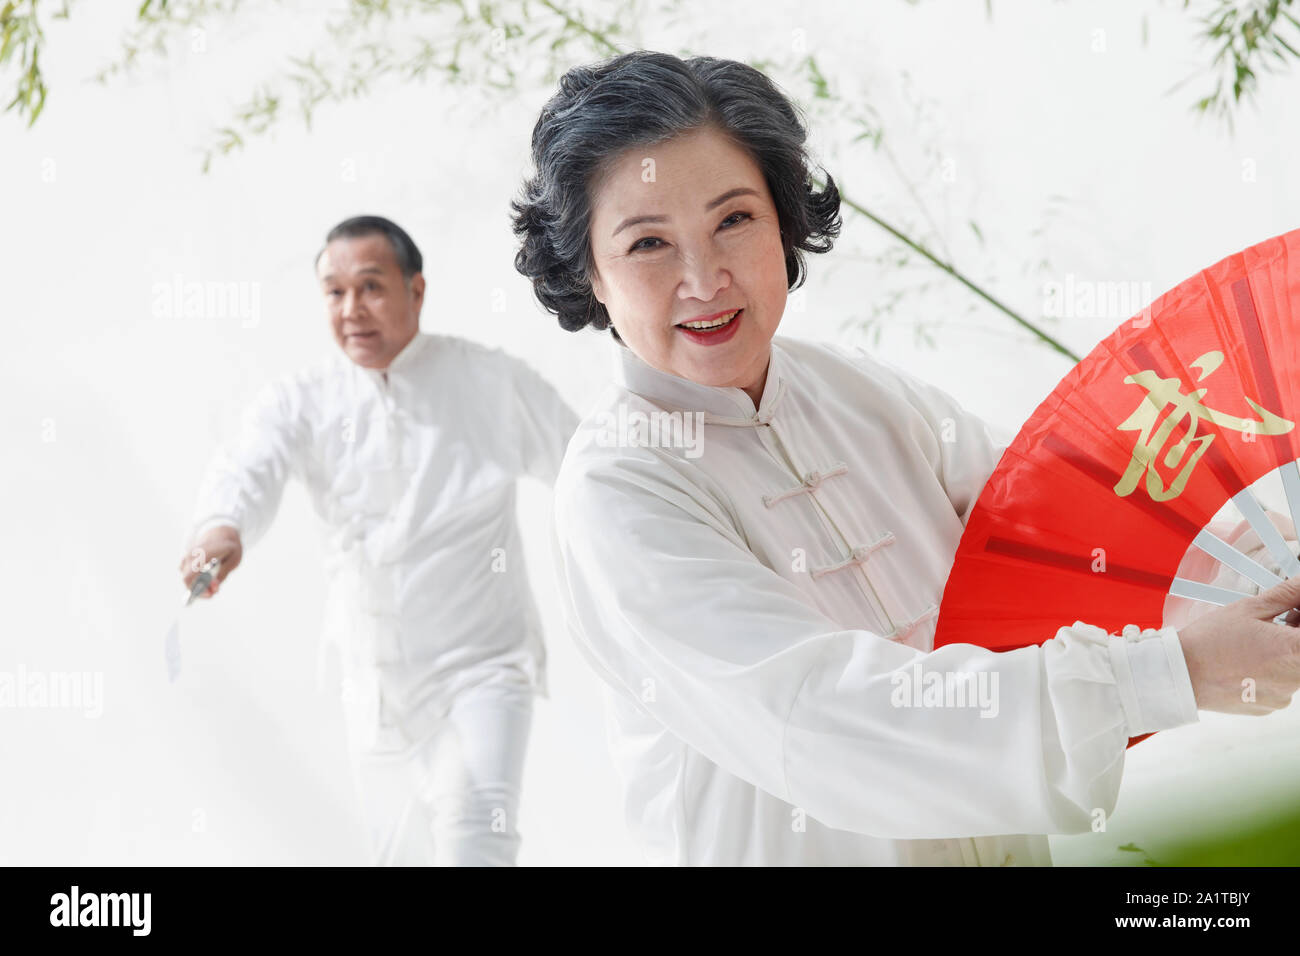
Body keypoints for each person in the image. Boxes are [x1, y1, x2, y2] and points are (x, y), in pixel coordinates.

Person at [510, 51, 1300, 865]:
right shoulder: (618, 487)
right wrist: (1170, 676)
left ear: (784, 222)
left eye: (734, 219)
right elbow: (823, 721)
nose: (704, 278)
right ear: (589, 274)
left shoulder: (857, 389)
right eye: (647, 244)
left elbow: (1073, 519)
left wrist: (1265, 571)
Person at [179, 215, 578, 865]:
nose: (351, 309)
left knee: (478, 831)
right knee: (400, 853)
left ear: (416, 290)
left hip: (484, 666)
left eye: (370, 286)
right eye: (334, 293)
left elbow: (584, 471)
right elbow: (247, 467)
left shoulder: (490, 381)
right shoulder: (303, 400)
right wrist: (220, 528)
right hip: (373, 681)